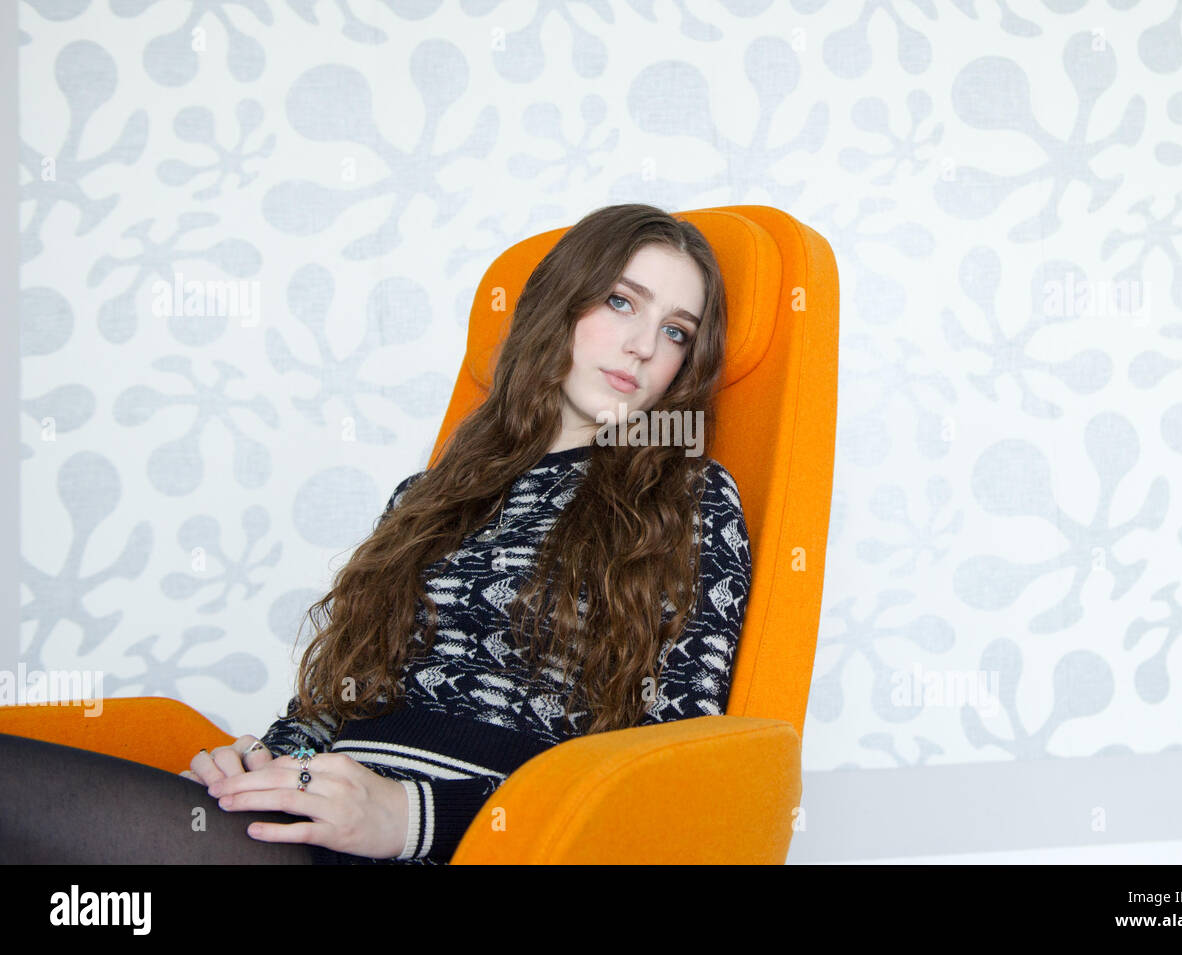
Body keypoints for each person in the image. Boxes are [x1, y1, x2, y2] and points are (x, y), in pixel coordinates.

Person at [0, 203, 753, 864]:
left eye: (676, 331)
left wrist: (409, 819)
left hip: (451, 845)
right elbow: (341, 696)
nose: (643, 346)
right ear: (560, 302)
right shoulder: (430, 495)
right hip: (317, 810)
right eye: (621, 301)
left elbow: (670, 770)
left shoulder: (685, 500)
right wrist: (268, 756)